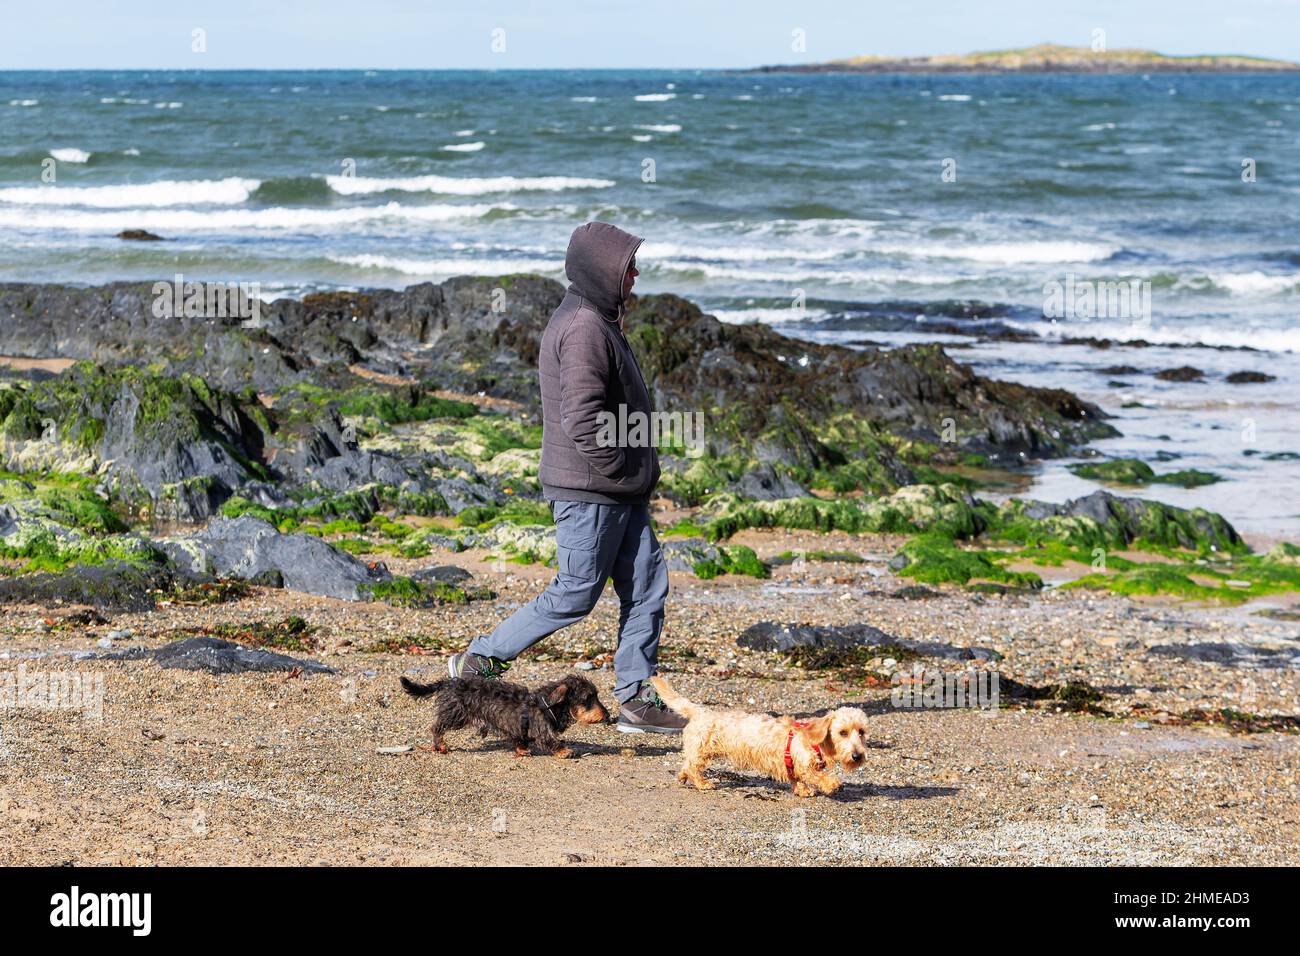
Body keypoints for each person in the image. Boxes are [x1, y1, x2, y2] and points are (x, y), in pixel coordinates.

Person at [447, 221, 686, 734]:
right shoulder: (582, 327)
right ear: (603, 271)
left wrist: (635, 477)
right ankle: (481, 659)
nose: (636, 275)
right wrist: (623, 470)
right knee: (576, 592)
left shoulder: (598, 318)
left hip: (618, 491)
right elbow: (581, 418)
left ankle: (637, 699)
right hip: (592, 490)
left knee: (647, 585)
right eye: (628, 268)